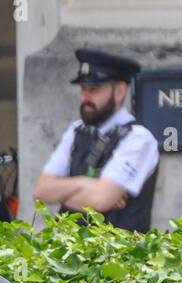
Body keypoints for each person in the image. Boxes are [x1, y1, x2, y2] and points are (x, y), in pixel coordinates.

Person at [32, 48, 159, 231]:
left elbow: (100, 200)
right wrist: (85, 183)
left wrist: (62, 192)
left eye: (94, 89)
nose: (85, 97)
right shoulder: (76, 132)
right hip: (71, 255)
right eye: (83, 89)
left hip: (119, 257)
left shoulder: (138, 139)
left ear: (120, 91)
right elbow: (41, 191)